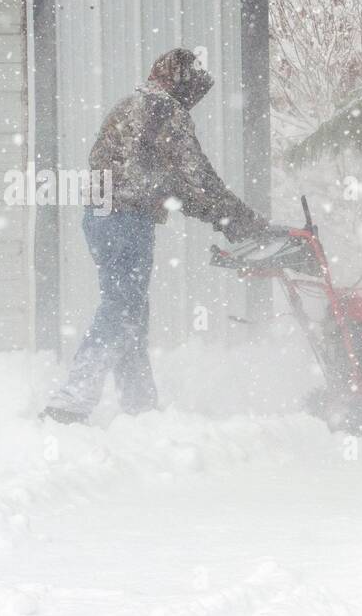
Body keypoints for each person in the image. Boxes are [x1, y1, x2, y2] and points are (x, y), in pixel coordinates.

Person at [40, 48, 269, 424]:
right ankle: (72, 399)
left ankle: (140, 406)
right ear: (179, 82)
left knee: (131, 309)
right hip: (126, 220)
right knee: (121, 306)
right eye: (193, 87)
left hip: (100, 218)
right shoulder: (167, 111)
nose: (193, 98)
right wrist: (237, 218)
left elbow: (173, 186)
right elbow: (197, 177)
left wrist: (221, 217)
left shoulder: (131, 105)